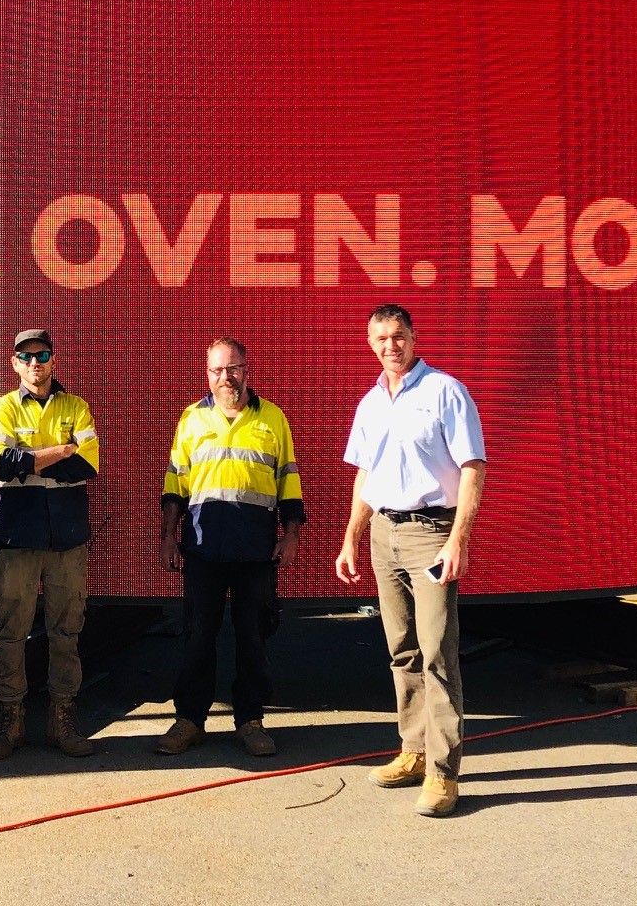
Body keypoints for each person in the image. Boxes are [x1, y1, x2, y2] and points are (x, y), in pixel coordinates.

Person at [335, 305, 487, 817]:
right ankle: (414, 751)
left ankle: (444, 773)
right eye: (380, 338)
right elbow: (367, 475)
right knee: (401, 650)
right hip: (385, 535)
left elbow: (472, 467)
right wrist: (352, 538)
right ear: (370, 343)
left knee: (437, 652)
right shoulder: (371, 403)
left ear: (414, 337)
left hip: (431, 535)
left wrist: (458, 540)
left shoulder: (445, 391)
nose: (390, 346)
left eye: (398, 336)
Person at [157, 338, 304, 758]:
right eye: (218, 370)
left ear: (246, 370)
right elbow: (175, 483)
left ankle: (251, 721)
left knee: (253, 637)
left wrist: (291, 535)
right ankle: (189, 720)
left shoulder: (272, 418)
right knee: (197, 636)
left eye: (234, 368)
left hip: (256, 550)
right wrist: (168, 535)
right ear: (208, 375)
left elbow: (288, 480)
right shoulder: (191, 419)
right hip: (202, 549)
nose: (227, 377)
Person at [0, 328, 100, 761]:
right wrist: (61, 450)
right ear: (14, 363)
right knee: (12, 633)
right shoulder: (3, 407)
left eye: (43, 355)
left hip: (67, 539)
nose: (35, 363)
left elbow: (87, 465)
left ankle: (61, 720)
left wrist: (31, 459)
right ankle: (10, 721)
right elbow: (0, 464)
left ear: (53, 360)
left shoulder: (76, 406)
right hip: (17, 537)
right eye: (26, 357)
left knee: (66, 632)